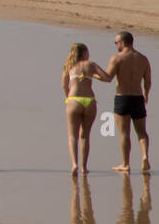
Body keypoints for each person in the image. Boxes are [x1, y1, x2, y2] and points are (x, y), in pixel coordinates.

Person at [100, 31, 150, 172]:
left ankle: (125, 164)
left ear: (122, 42)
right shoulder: (143, 59)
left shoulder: (117, 58)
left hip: (122, 97)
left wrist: (94, 74)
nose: (116, 45)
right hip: (138, 97)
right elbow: (148, 80)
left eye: (116, 43)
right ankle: (145, 155)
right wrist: (146, 94)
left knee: (124, 133)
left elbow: (108, 77)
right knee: (141, 132)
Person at [63, 43, 108, 175]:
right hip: (89, 102)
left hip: (74, 100)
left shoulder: (68, 66)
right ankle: (84, 167)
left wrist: (69, 98)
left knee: (72, 136)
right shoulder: (91, 65)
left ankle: (74, 164)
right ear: (84, 53)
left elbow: (64, 85)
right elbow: (108, 78)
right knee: (85, 136)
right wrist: (93, 76)